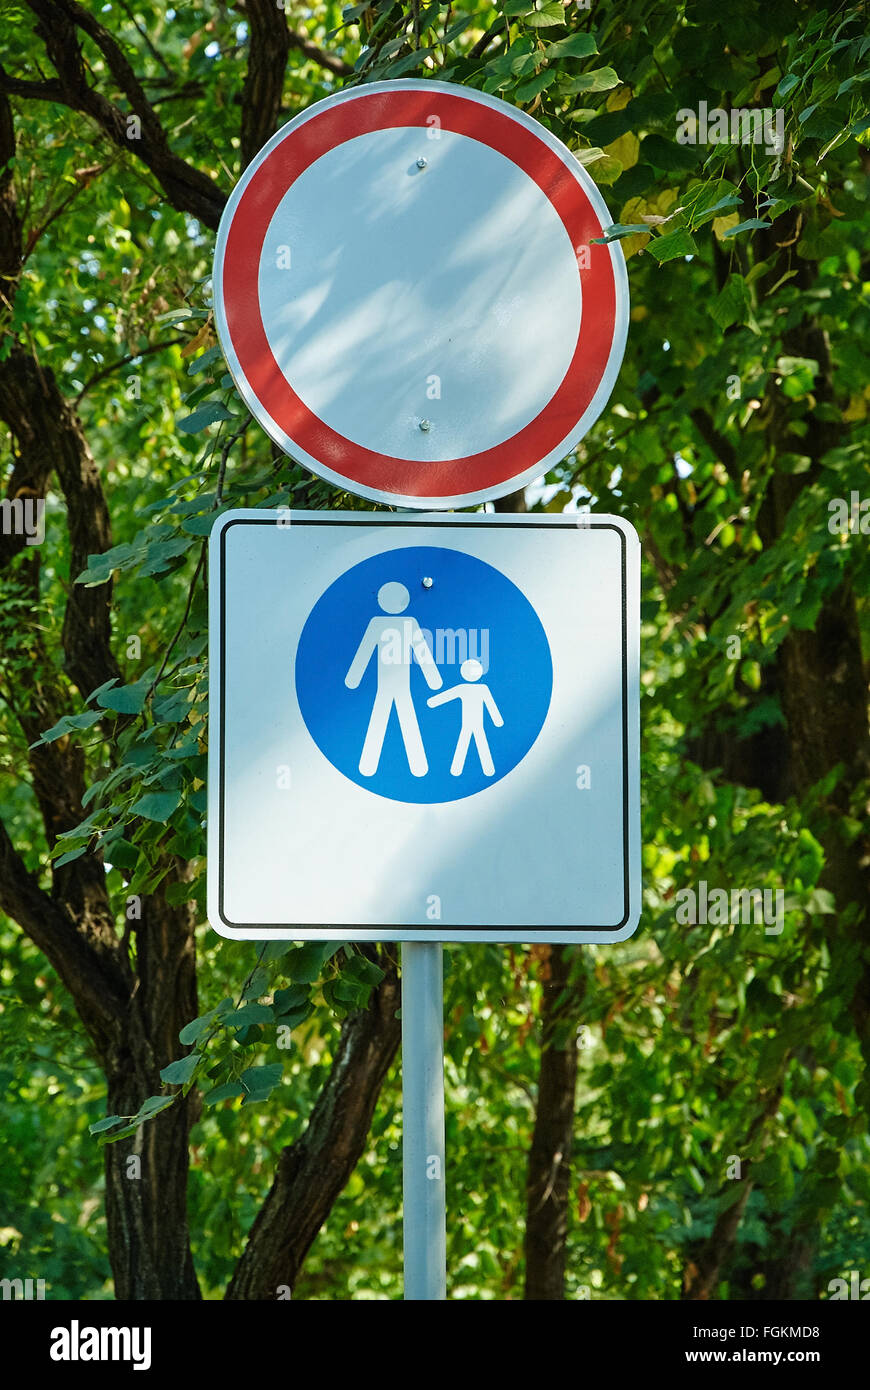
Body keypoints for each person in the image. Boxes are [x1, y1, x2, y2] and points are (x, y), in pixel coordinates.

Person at [345, 581, 442, 777]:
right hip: (397, 684)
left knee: (381, 717)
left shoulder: (382, 624)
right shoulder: (405, 624)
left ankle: (369, 766)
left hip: (390, 684)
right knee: (405, 717)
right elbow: (421, 652)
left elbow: (365, 652)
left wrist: (353, 679)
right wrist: (433, 680)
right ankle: (417, 766)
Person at [426, 658, 503, 776]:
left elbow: (490, 705)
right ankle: (480, 770)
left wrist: (432, 702)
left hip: (473, 724)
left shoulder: (474, 688)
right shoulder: (477, 688)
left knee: (469, 741)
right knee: (477, 741)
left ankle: (460, 770)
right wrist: (497, 721)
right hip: (471, 724)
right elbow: (446, 696)